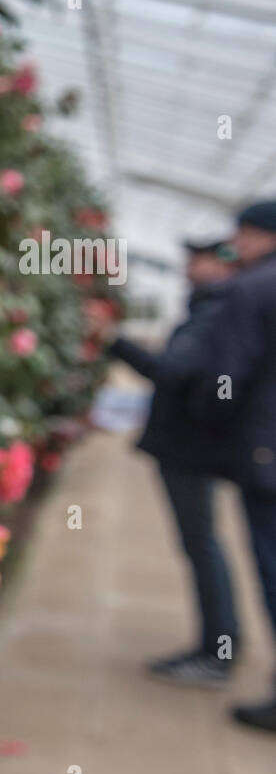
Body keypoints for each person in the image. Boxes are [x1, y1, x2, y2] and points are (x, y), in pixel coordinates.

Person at [107, 241, 238, 686]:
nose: (189, 266)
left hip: (190, 449)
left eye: (198, 258)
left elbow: (174, 371)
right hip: (193, 446)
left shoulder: (217, 309)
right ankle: (219, 647)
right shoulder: (213, 306)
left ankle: (217, 651)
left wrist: (114, 342)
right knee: (202, 544)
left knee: (201, 544)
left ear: (220, 264)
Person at [187, 201, 276, 732]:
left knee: (272, 571)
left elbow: (228, 377)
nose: (234, 245)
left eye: (241, 235)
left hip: (265, 457)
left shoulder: (251, 288)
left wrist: (205, 422)